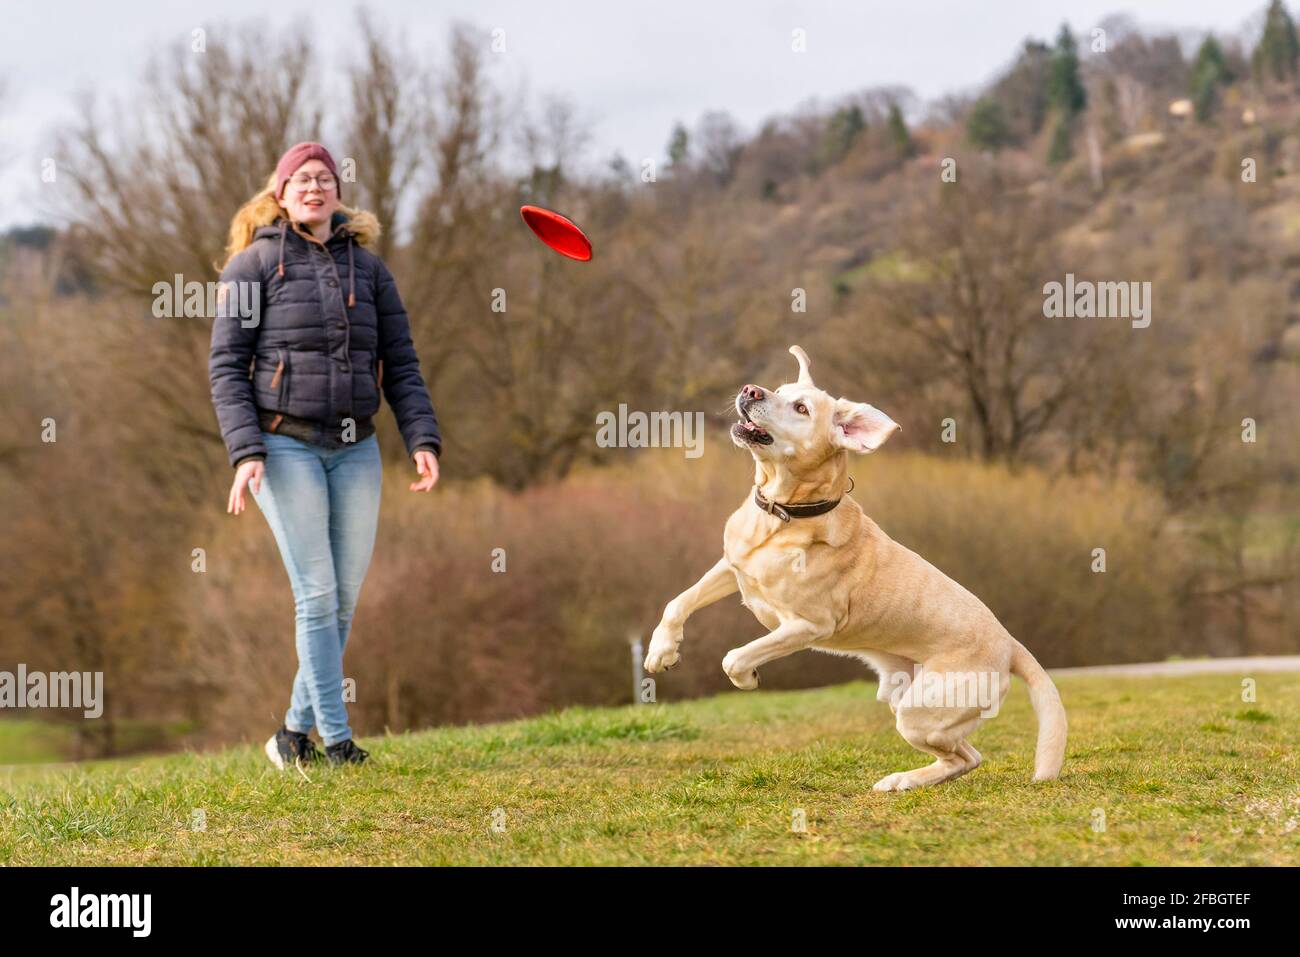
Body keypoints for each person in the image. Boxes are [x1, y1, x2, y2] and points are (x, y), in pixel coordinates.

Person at [209, 142, 440, 769]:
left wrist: (422, 437)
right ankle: (335, 744)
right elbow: (227, 368)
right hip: (283, 446)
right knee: (315, 595)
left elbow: (403, 365)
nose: (314, 187)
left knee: (342, 598)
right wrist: (245, 452)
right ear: (280, 195)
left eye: (325, 179)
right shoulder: (251, 267)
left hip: (357, 447)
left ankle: (290, 736)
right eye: (302, 180)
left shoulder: (371, 271)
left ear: (338, 192)